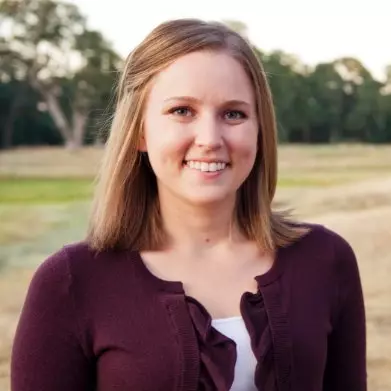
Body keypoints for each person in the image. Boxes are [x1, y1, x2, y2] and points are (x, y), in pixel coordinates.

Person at [11, 18, 366, 391]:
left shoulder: (325, 261)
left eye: (234, 113)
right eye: (182, 111)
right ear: (140, 131)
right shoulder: (71, 282)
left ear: (260, 130)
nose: (210, 138)